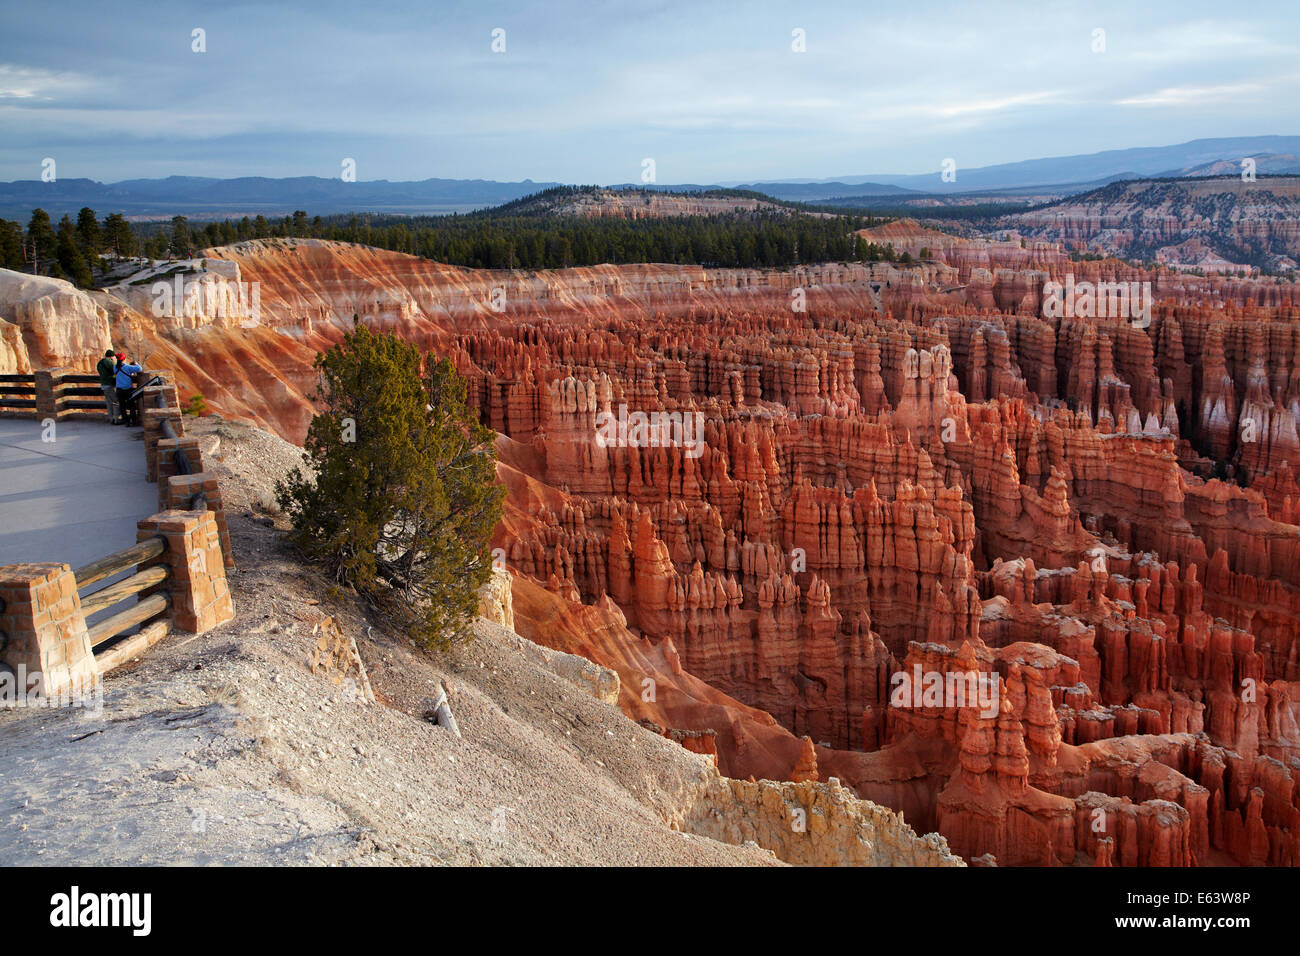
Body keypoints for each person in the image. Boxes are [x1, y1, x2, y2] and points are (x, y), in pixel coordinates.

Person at [115, 352, 143, 426]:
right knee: (131, 406)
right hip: (128, 390)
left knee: (122, 407)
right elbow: (139, 369)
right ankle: (133, 421)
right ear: (124, 359)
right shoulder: (127, 367)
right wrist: (136, 363)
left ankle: (126, 422)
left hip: (119, 390)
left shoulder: (115, 367)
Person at [96, 349, 120, 424]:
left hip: (103, 385)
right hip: (110, 385)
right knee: (116, 402)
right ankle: (116, 419)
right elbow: (115, 369)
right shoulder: (109, 362)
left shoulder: (99, 363)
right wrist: (115, 361)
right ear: (111, 356)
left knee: (109, 403)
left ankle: (111, 419)